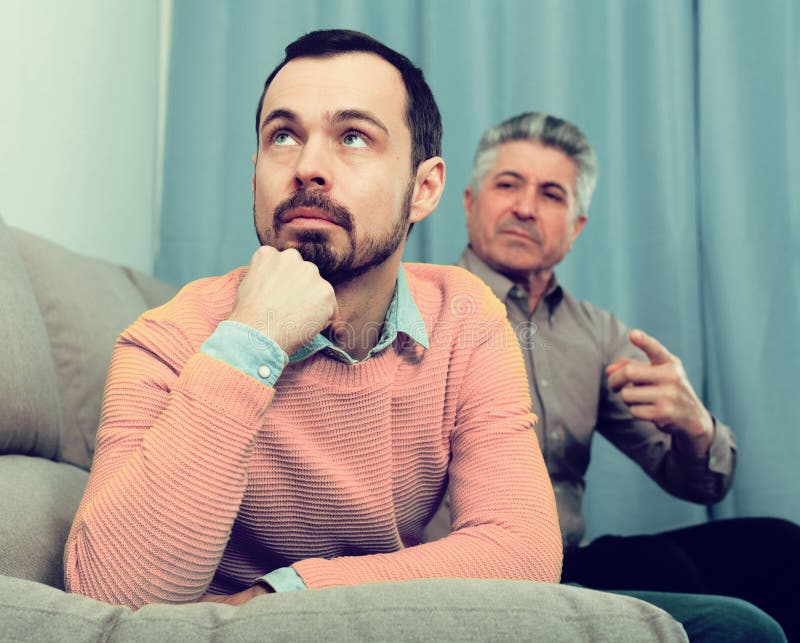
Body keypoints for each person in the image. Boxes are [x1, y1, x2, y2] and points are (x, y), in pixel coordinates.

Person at [63, 31, 564, 610]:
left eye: (353, 137)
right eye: (283, 136)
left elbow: (521, 550)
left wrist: (277, 597)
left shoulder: (467, 317)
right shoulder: (165, 339)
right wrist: (253, 341)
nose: (307, 167)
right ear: (255, 177)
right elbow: (111, 593)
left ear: (424, 189)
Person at [427, 110, 797, 640]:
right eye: (508, 184)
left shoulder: (596, 334)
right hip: (464, 573)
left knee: (778, 548)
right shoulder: (422, 309)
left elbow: (699, 484)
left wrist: (695, 427)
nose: (525, 208)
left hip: (569, 566)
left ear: (576, 227)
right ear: (469, 203)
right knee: (664, 572)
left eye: (551, 194)